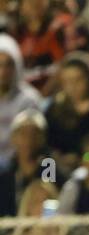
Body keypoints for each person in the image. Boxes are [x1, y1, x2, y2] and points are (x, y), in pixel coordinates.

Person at [0, 33, 42, 165]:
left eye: (8, 65)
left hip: (17, 166)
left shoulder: (29, 99)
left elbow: (32, 143)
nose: (3, 72)